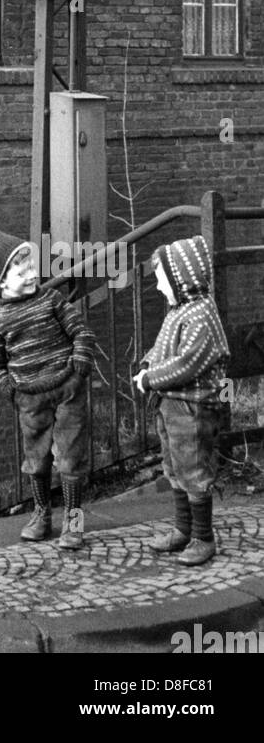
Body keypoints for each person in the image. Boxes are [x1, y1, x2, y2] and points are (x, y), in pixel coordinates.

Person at [0, 222, 95, 549]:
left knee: (70, 458)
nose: (30, 275)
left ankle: (74, 522)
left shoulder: (52, 300)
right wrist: (12, 390)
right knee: (36, 459)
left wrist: (79, 368)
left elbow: (81, 332)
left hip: (67, 388)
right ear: (1, 281)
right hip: (30, 398)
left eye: (31, 267)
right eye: (20, 272)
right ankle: (41, 513)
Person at [132, 235, 229, 566]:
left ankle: (203, 537)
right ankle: (183, 529)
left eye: (161, 280)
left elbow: (186, 363)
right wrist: (147, 363)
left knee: (194, 468)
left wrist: (150, 378)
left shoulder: (201, 314)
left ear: (181, 278)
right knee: (174, 466)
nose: (159, 287)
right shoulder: (178, 310)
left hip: (193, 407)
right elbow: (161, 349)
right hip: (170, 405)